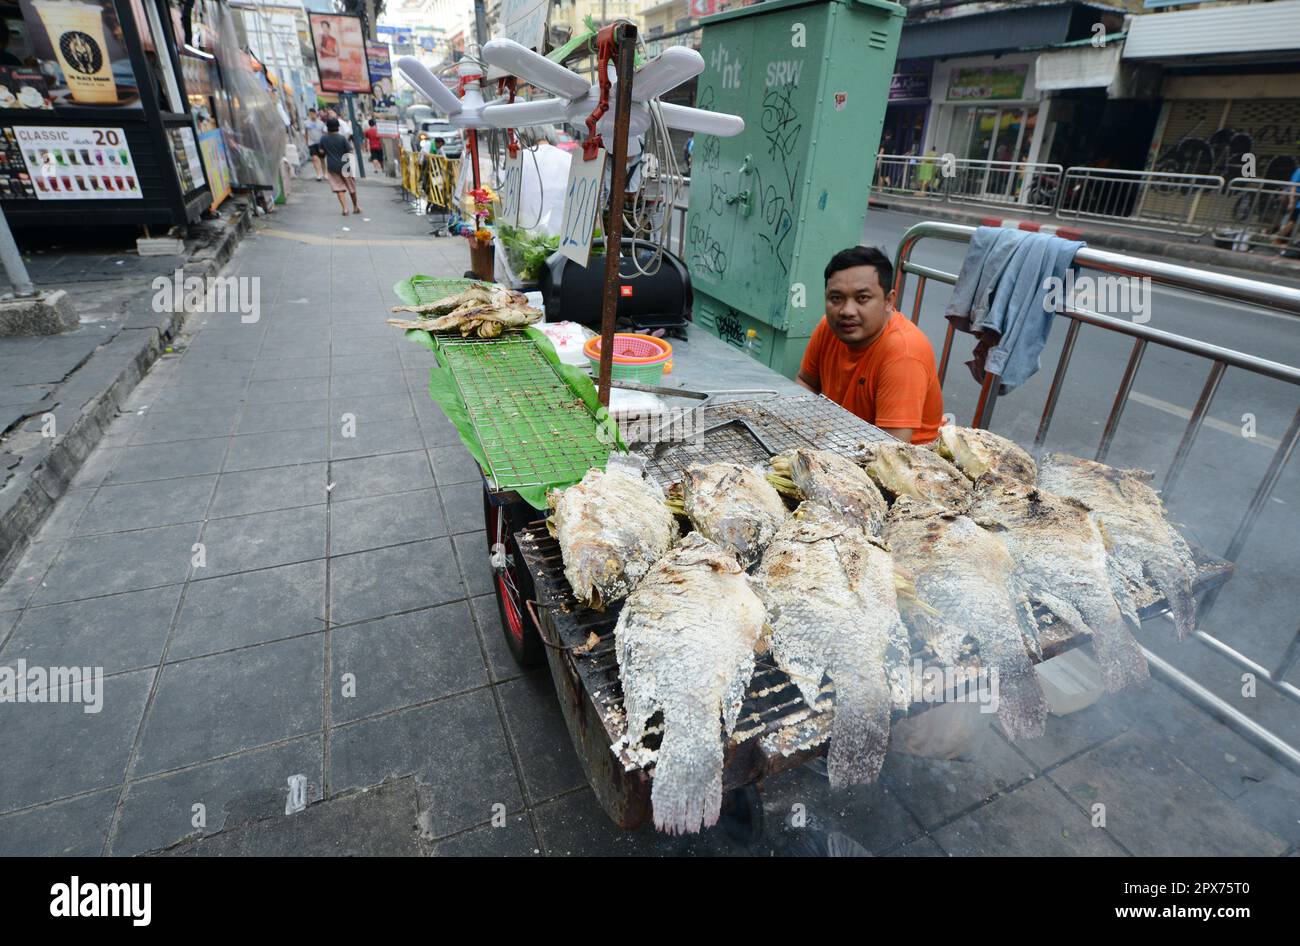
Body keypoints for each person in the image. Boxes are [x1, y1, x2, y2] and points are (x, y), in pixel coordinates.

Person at [797, 245, 944, 445]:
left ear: (889, 301)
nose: (847, 311)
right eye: (836, 298)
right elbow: (806, 382)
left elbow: (892, 450)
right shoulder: (828, 327)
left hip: (898, 463)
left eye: (862, 298)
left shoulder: (903, 353)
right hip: (838, 440)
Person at [320, 117, 361, 216]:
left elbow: (321, 152)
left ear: (327, 127)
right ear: (338, 127)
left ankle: (345, 208)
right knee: (351, 187)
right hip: (345, 164)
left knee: (339, 188)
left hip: (332, 166)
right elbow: (350, 151)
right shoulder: (342, 138)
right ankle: (355, 207)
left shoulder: (323, 138)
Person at [304, 108, 326, 181]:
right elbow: (305, 134)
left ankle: (325, 173)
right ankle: (318, 174)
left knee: (322, 159)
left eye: (313, 114)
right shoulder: (306, 123)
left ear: (316, 114)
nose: (312, 115)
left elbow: (324, 133)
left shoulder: (321, 123)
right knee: (314, 158)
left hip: (320, 143)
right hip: (311, 143)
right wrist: (306, 142)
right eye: (310, 114)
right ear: (309, 115)